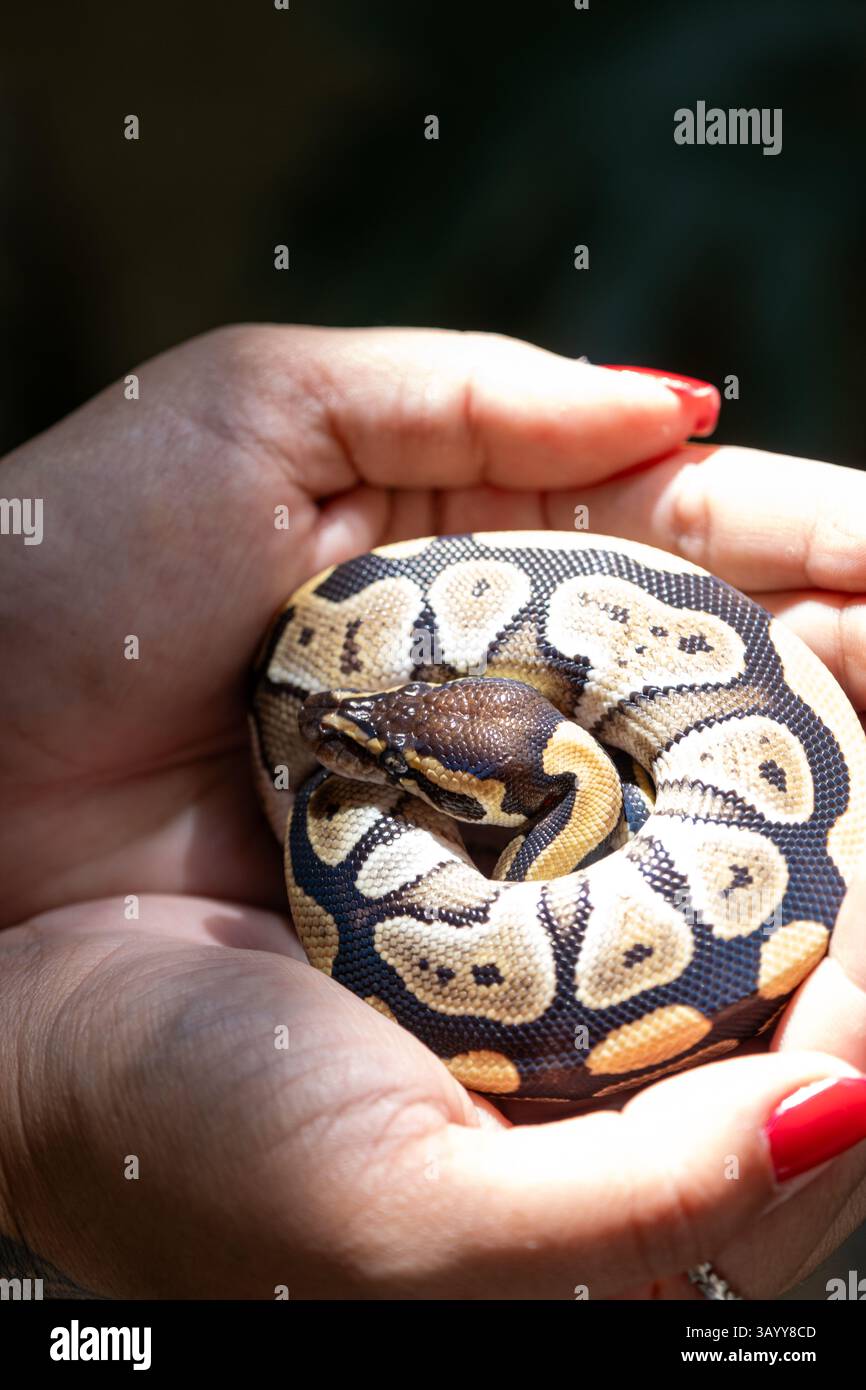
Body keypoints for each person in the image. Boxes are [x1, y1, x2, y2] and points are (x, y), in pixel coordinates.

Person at [1, 324, 865, 1300]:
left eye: (392, 760)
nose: (348, 735)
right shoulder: (523, 769)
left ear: (490, 799)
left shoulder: (419, 813)